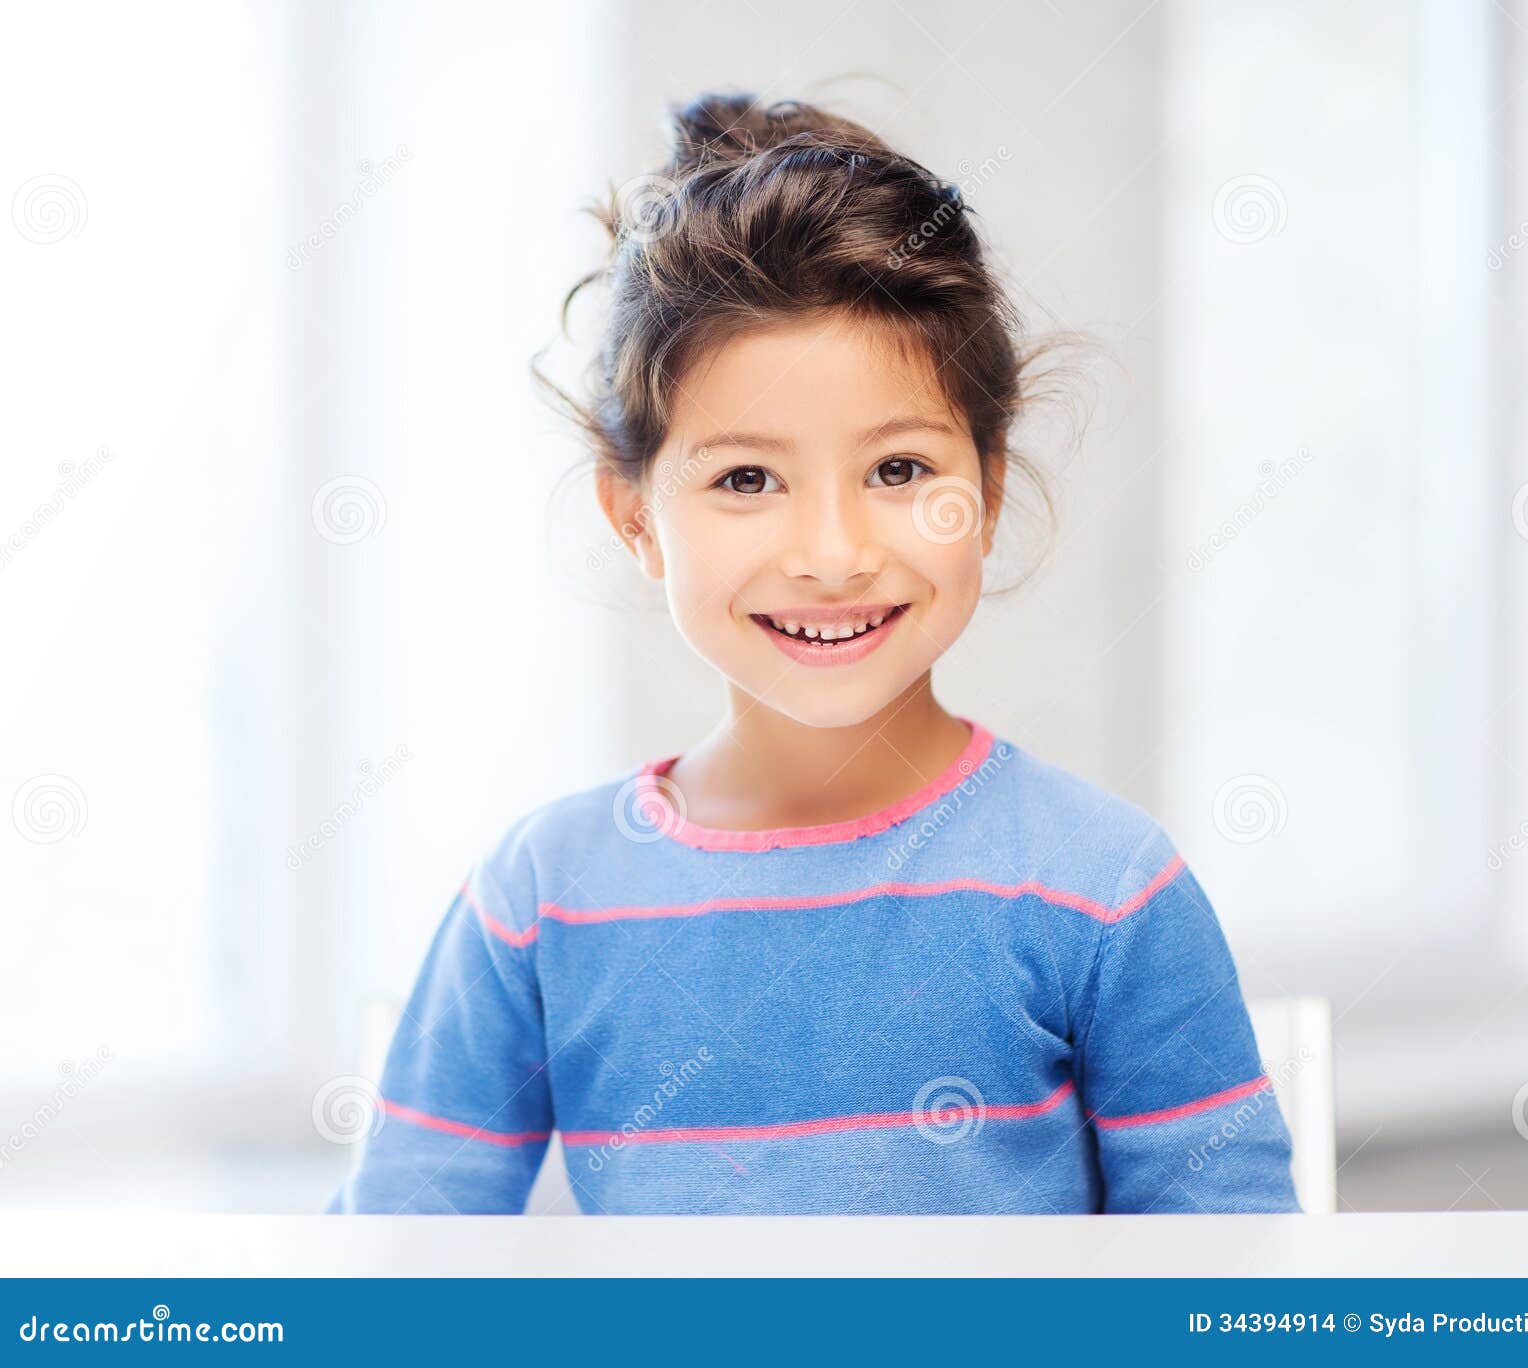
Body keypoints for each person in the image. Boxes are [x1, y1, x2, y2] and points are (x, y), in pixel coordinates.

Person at [326, 90, 1300, 1215]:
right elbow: (399, 1265)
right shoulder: (542, 900)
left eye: (897, 472)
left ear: (983, 494)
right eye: (746, 480)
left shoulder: (1104, 889)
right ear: (635, 517)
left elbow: (1229, 1283)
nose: (831, 555)